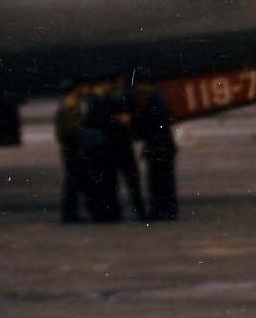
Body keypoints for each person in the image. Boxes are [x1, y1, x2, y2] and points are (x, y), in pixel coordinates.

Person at [86, 82, 142, 221]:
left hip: (113, 147)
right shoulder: (111, 99)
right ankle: (131, 211)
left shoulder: (105, 100)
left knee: (115, 181)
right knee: (121, 181)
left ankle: (115, 212)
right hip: (116, 147)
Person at [128, 71, 180, 220]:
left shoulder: (153, 100)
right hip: (162, 147)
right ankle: (167, 210)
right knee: (164, 180)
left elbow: (149, 122)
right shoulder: (157, 98)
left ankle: (161, 210)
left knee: (158, 181)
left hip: (159, 147)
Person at [53, 89, 91, 224]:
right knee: (73, 182)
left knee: (73, 181)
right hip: (72, 147)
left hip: (70, 147)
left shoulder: (68, 105)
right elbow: (71, 129)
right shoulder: (69, 105)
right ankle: (70, 214)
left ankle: (71, 213)